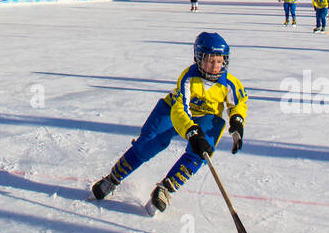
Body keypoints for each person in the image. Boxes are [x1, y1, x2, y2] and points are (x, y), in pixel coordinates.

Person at [90, 32, 246, 213]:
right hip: (174, 111)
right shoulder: (189, 77)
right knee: (149, 142)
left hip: (206, 117)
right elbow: (180, 110)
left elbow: (238, 104)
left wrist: (237, 124)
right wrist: (191, 131)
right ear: (198, 58)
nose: (214, 66)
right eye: (209, 60)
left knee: (203, 149)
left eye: (219, 61)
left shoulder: (229, 83)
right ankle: (113, 178)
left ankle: (165, 188)